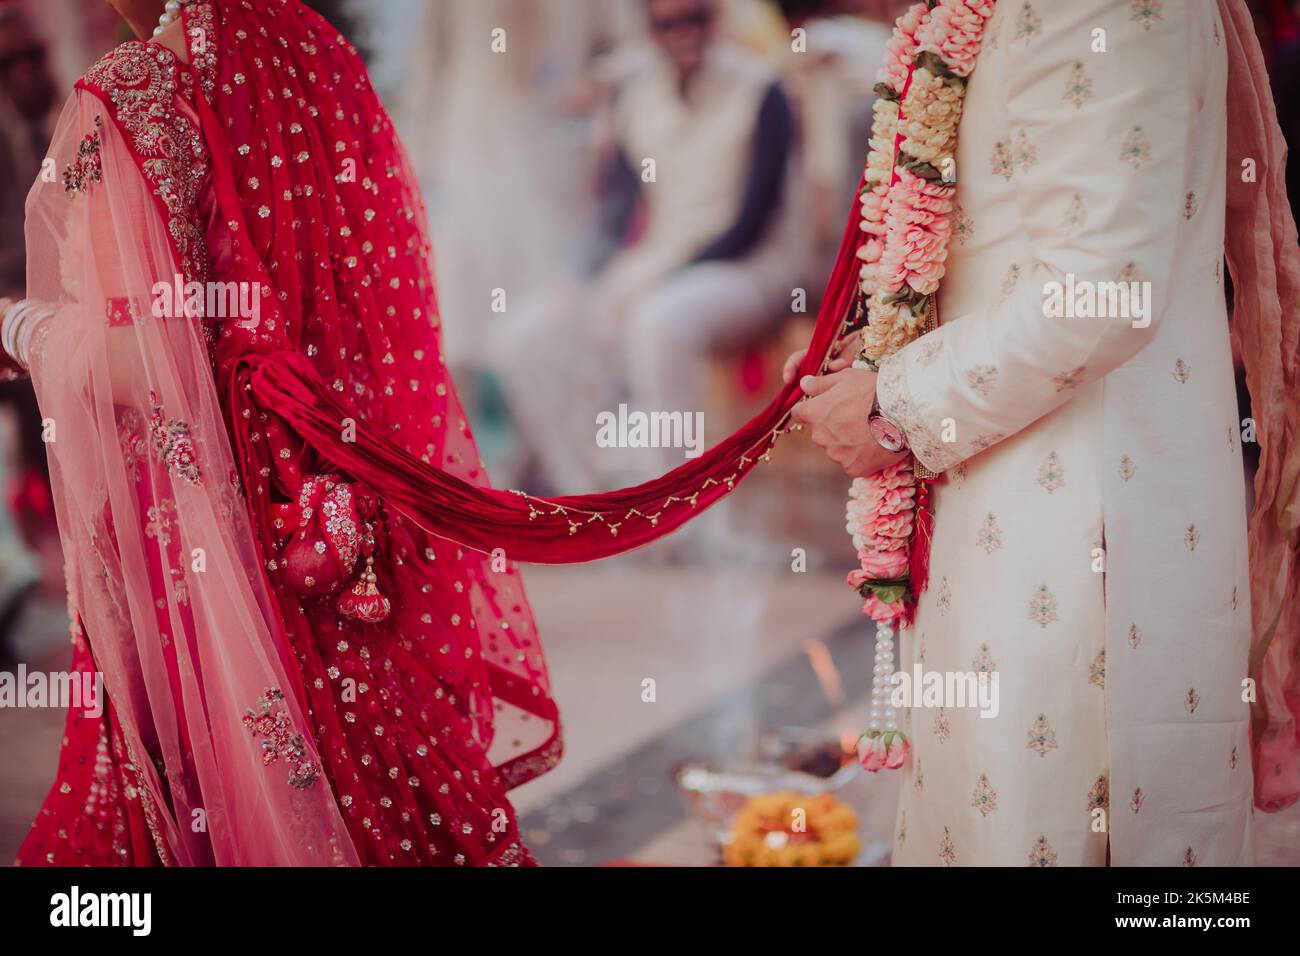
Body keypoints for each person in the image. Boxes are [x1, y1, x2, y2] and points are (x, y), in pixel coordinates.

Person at [6, 0, 558, 866]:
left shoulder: (136, 88)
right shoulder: (310, 46)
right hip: (332, 513)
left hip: (201, 536)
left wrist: (22, 329)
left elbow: (140, 362)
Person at [786, 0, 1299, 864]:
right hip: (1005, 491)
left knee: (1047, 818)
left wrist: (894, 403)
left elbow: (1103, 289)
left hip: (1081, 531)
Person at [490, 0, 811, 491]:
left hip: (752, 268)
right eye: (668, 24)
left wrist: (649, 281)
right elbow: (615, 213)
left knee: (660, 321)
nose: (684, 33)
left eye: (695, 18)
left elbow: (753, 219)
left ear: (716, 19)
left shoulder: (763, 89)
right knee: (525, 336)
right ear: (649, 30)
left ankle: (679, 500)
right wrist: (579, 279)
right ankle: (588, 493)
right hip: (655, 267)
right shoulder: (635, 95)